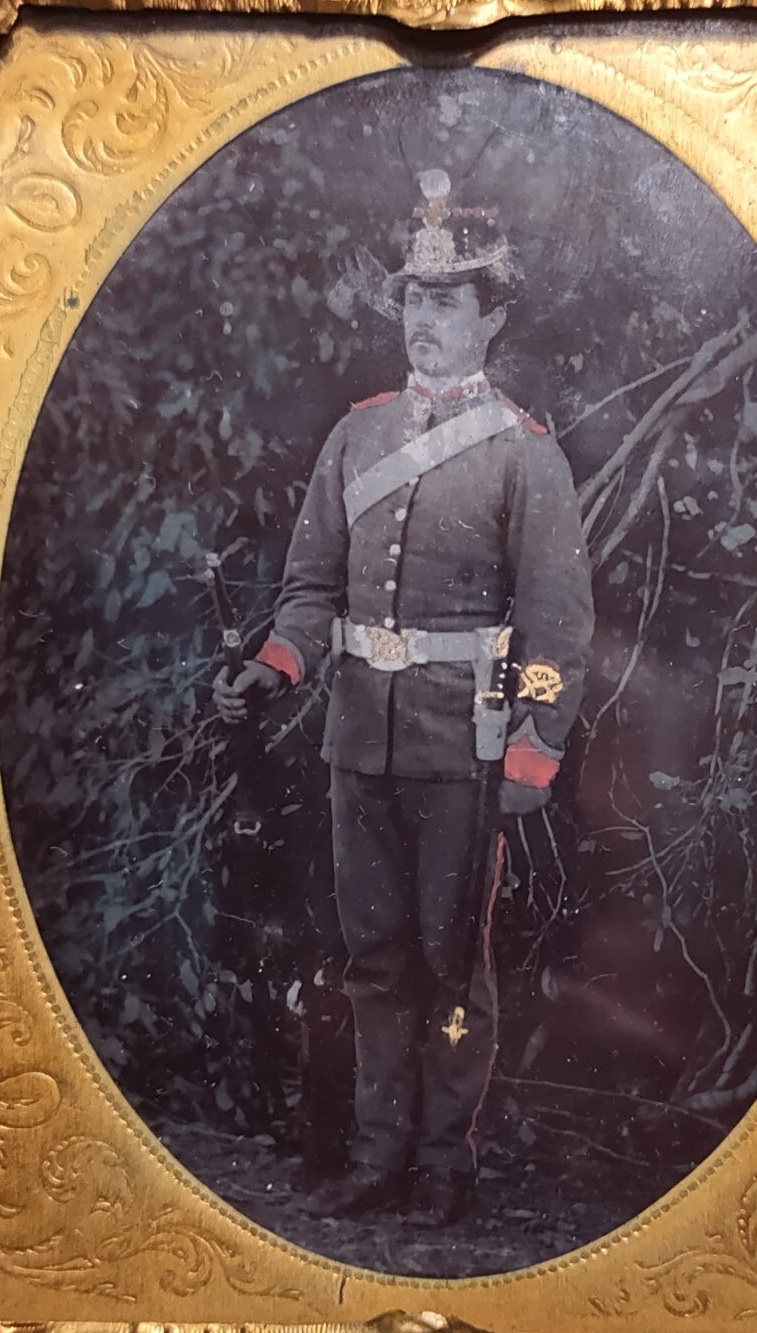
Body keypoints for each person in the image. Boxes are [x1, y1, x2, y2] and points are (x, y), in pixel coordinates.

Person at [214, 169, 594, 1227]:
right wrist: (276, 665)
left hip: (462, 754)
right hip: (357, 744)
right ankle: (379, 1155)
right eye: (415, 303)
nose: (425, 323)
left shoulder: (525, 454)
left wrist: (534, 745)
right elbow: (310, 592)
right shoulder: (358, 437)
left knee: (452, 968)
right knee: (374, 961)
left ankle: (445, 1161)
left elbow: (558, 623)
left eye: (448, 304)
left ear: (491, 317)